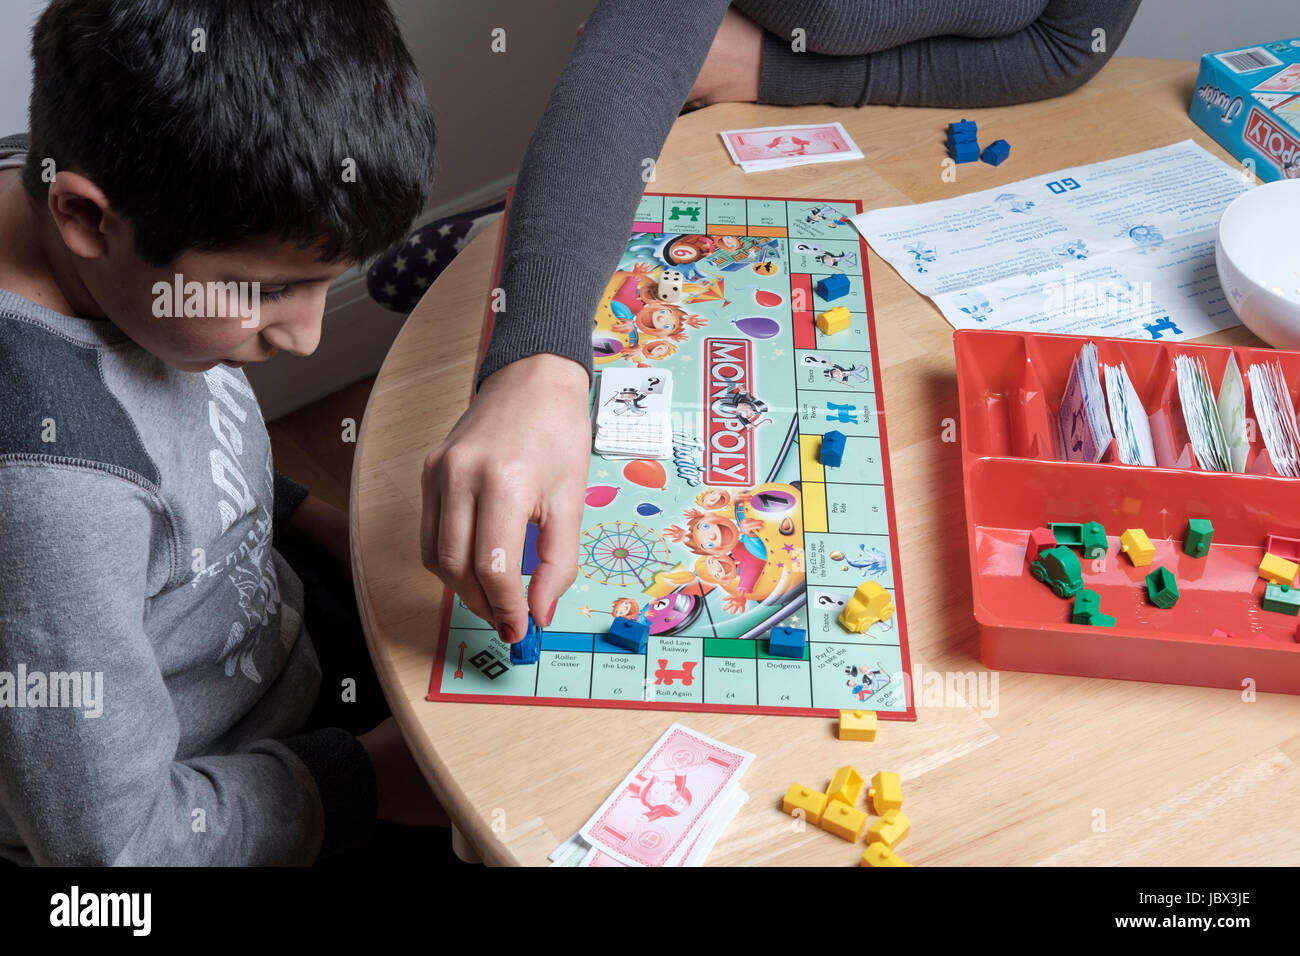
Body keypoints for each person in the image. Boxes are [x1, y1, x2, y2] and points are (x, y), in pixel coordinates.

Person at [420, 0, 1144, 649]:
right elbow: (633, 52)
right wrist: (537, 360)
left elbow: (1067, 45)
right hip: (674, 146)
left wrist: (770, 67)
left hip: (856, 146)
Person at [0, 0, 440, 865]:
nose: (307, 335)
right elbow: (115, 849)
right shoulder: (50, 501)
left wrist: (323, 524)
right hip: (228, 800)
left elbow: (179, 458)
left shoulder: (61, 177)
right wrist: (369, 782)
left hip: (276, 633)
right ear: (85, 219)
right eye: (267, 290)